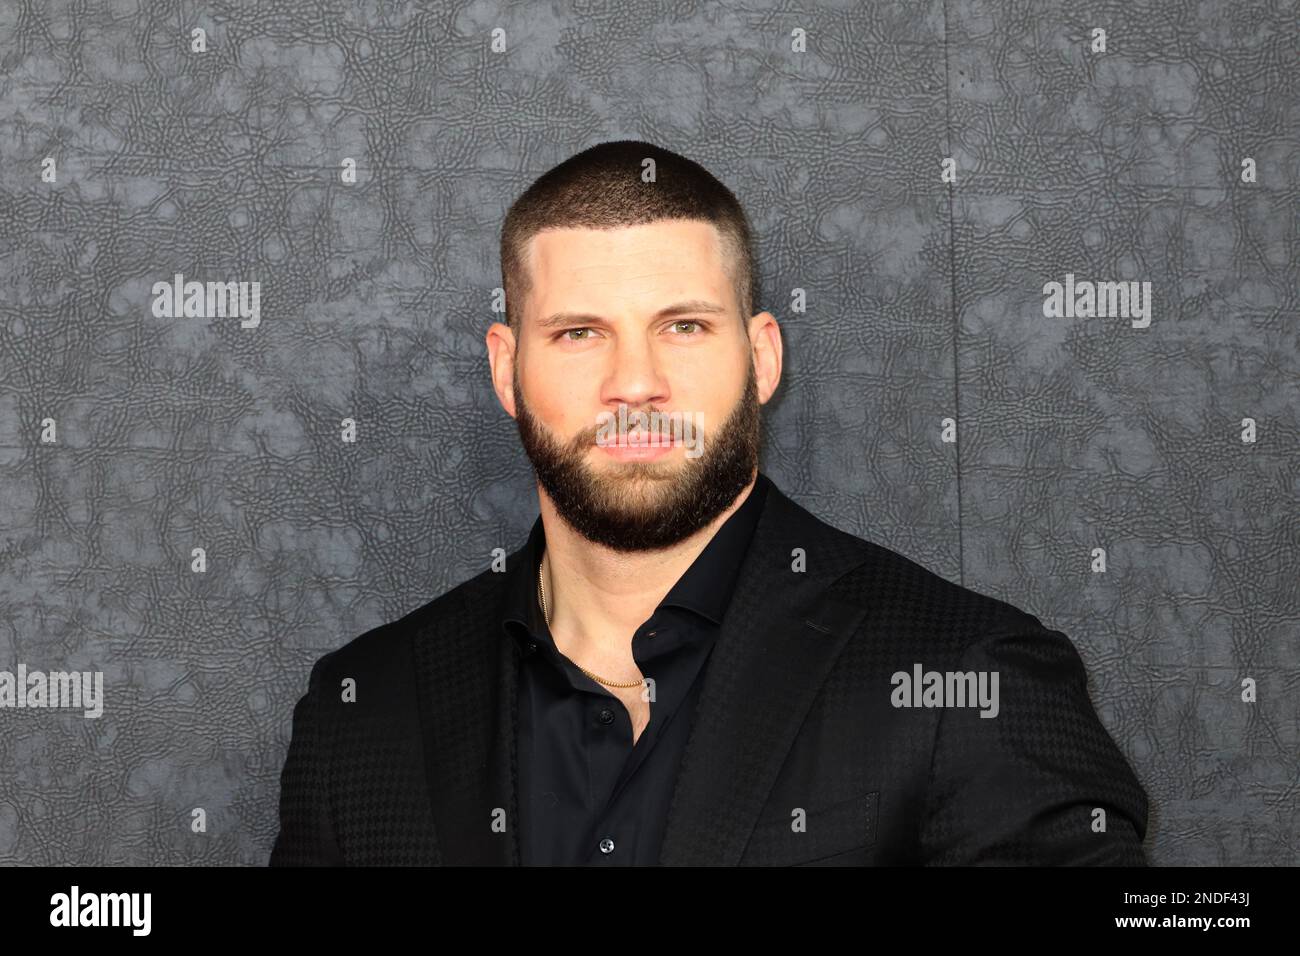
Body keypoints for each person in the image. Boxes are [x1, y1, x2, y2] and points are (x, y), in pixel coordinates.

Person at [269, 140, 1148, 866]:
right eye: (580, 334)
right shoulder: (363, 712)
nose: (636, 383)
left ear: (762, 357)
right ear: (507, 368)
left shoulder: (966, 681)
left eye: (682, 326)